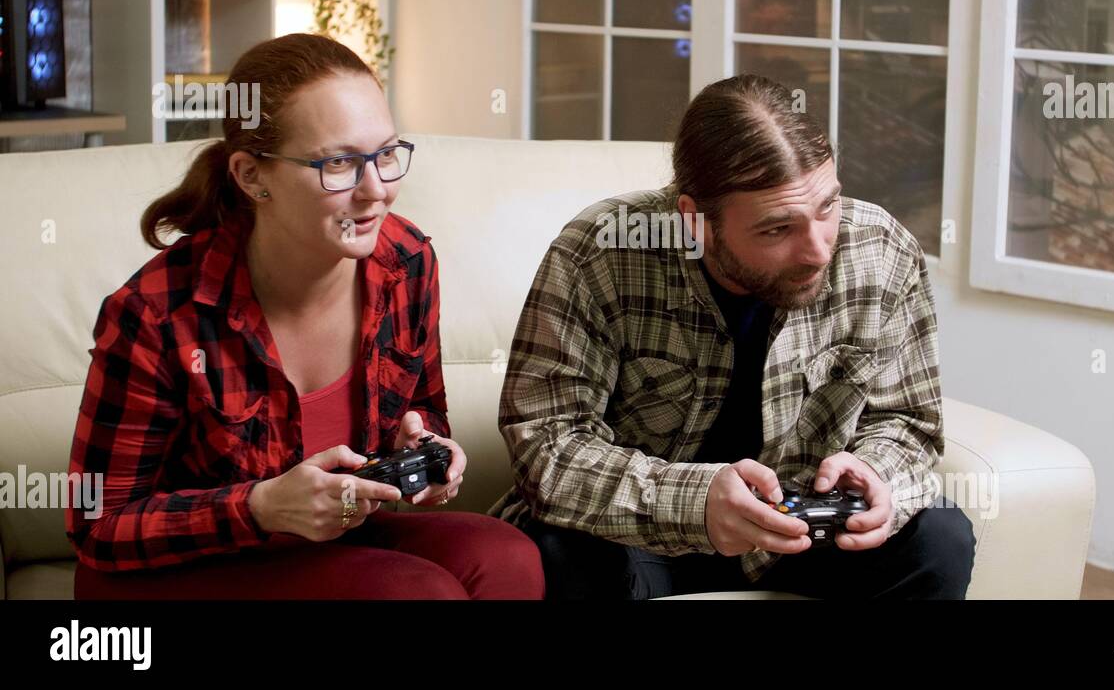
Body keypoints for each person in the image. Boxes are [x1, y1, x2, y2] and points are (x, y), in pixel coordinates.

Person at [67, 33, 543, 600]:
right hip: (176, 571)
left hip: (328, 545)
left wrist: (424, 444)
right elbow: (98, 525)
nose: (377, 191)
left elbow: (425, 408)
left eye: (386, 154)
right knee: (413, 593)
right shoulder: (156, 314)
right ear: (251, 176)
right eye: (338, 162)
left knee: (507, 557)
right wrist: (263, 506)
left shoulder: (407, 263)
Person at [489, 74, 975, 599]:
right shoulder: (600, 254)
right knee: (565, 552)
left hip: (803, 534)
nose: (817, 250)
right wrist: (693, 503)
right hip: (640, 538)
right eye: (776, 229)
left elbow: (908, 421)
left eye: (827, 207)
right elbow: (547, 443)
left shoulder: (882, 251)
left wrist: (879, 475)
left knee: (941, 535)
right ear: (696, 222)